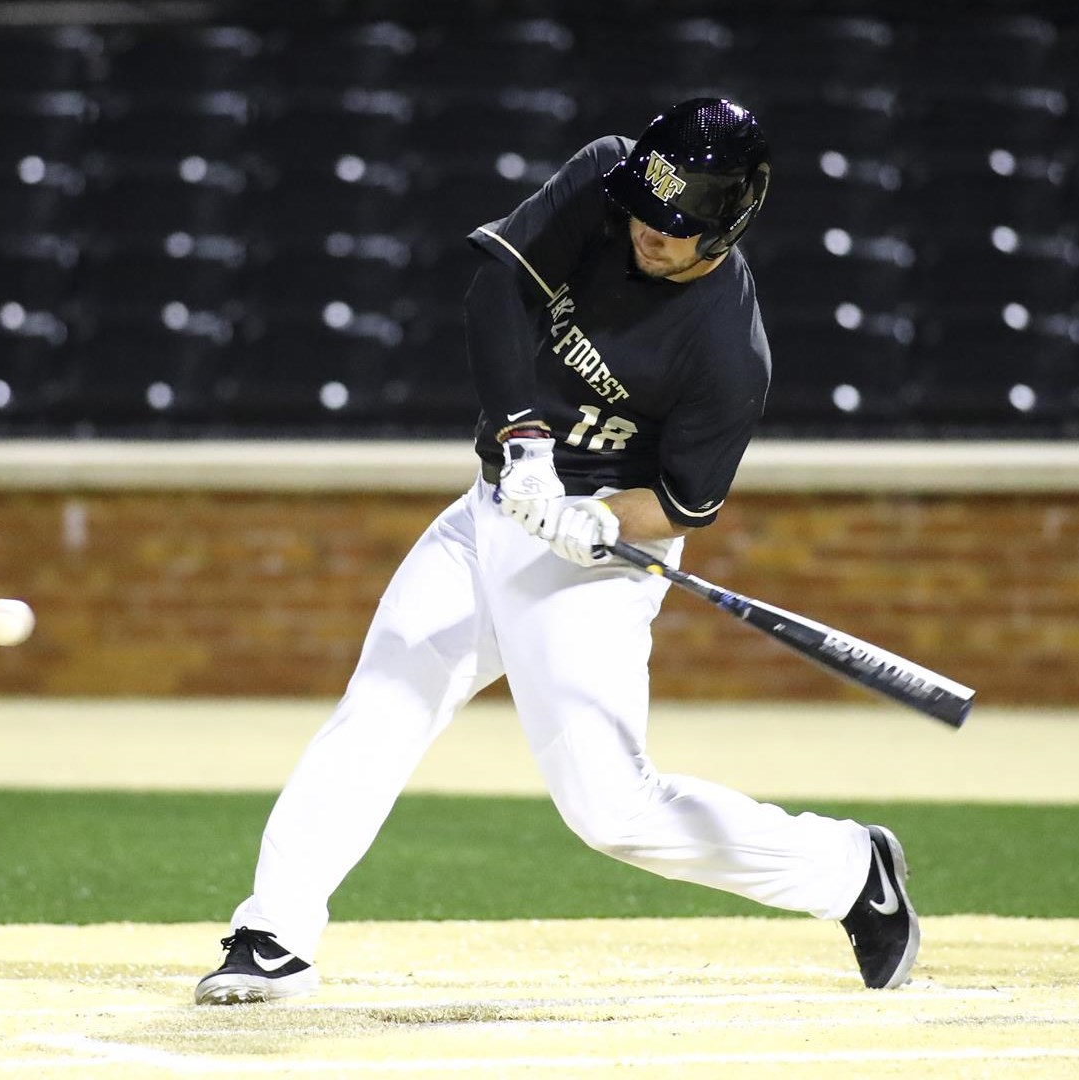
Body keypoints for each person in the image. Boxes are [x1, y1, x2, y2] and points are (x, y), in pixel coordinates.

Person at [192, 98, 920, 1005]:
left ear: (727, 227)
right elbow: (493, 290)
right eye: (645, 212)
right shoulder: (606, 176)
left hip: (591, 562)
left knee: (612, 811)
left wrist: (602, 518)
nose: (651, 232)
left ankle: (847, 868)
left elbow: (684, 507)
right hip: (494, 503)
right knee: (380, 705)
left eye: (677, 225)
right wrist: (527, 445)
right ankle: (275, 933)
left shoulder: (729, 351)